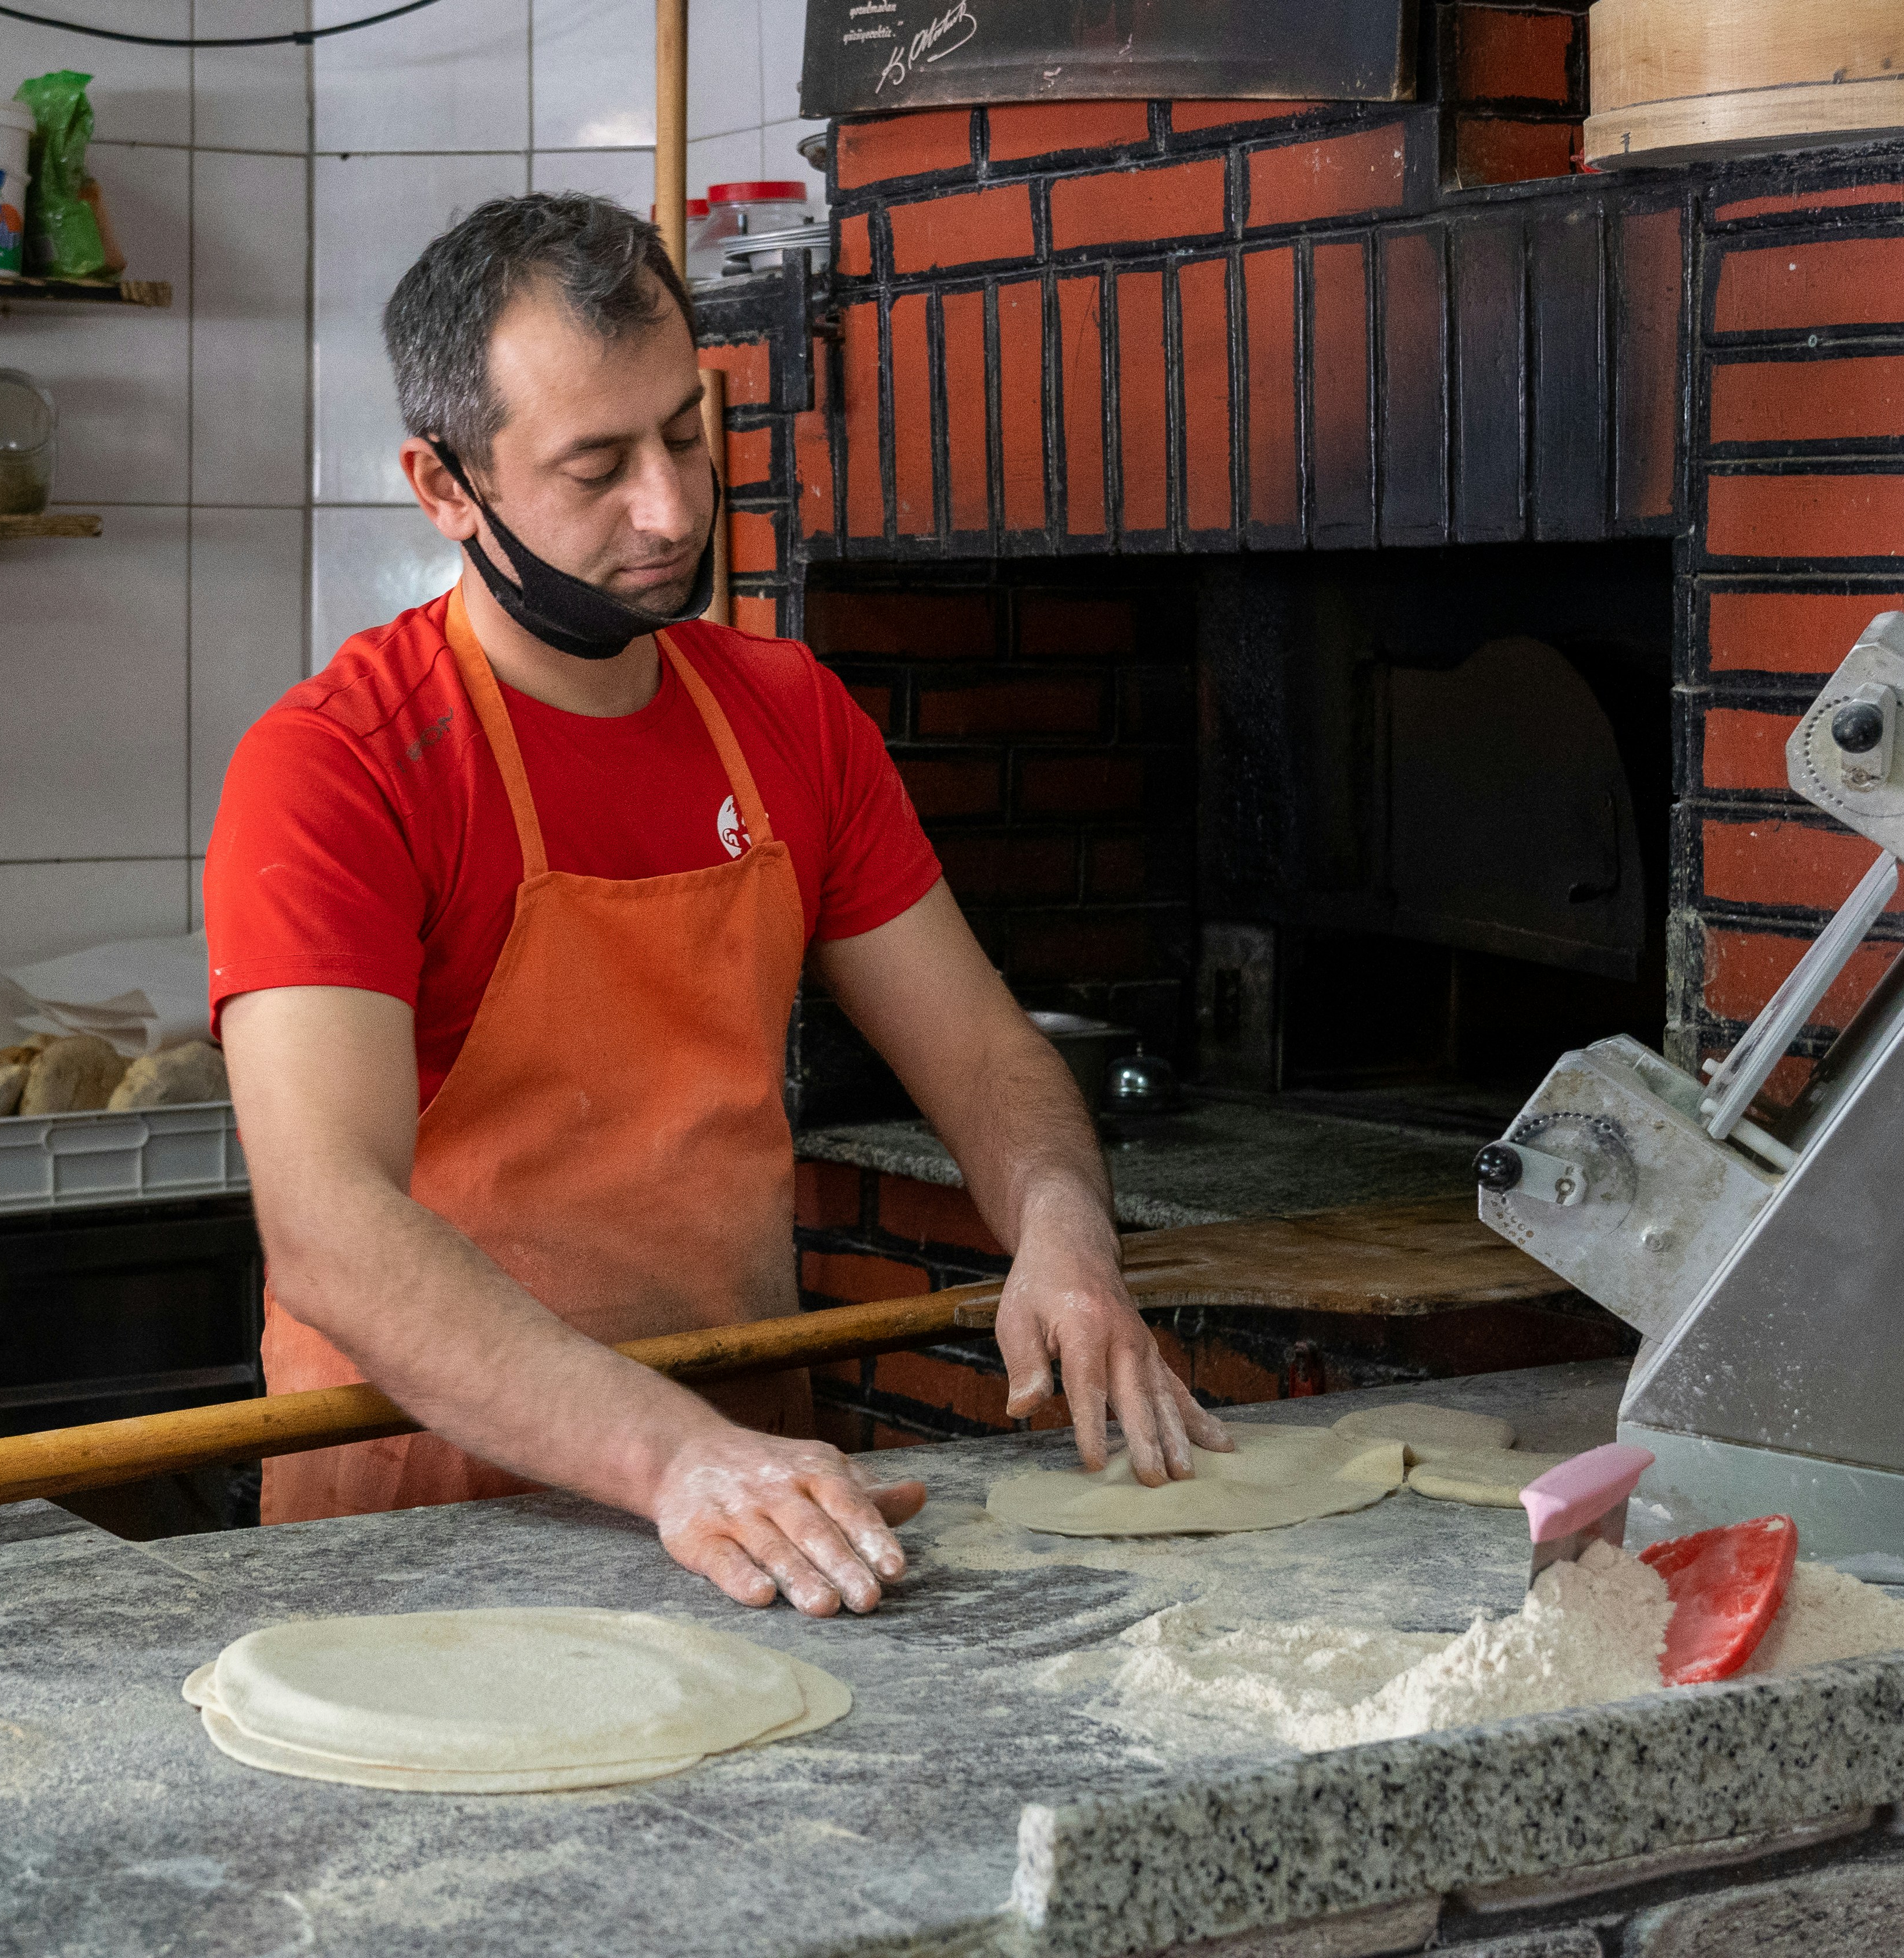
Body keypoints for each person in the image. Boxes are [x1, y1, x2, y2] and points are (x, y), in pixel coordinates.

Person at [205, 193, 1229, 1617]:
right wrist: (671, 1455)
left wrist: (1063, 1232)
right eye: (595, 466)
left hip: (753, 1495)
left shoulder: (787, 718)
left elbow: (988, 1055)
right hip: (426, 1514)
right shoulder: (336, 767)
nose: (672, 511)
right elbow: (329, 1226)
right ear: (444, 488)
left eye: (685, 434)